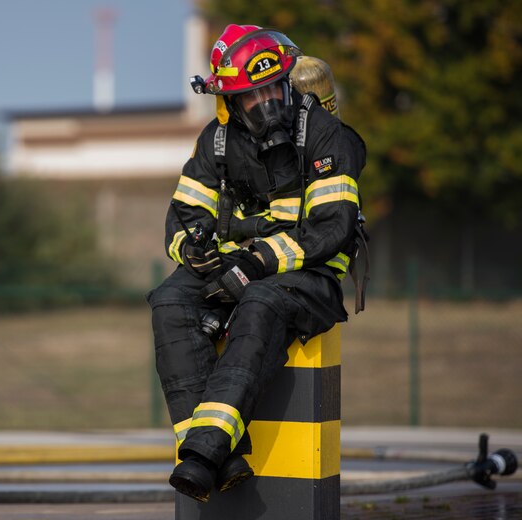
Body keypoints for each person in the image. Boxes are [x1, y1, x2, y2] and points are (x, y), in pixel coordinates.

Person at [147, 24, 367, 503]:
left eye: (273, 89)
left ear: (287, 82)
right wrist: (192, 248)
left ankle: (202, 453)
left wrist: (257, 263)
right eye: (252, 95)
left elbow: (333, 228)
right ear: (230, 102)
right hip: (234, 267)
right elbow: (182, 216)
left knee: (260, 303)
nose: (267, 104)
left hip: (309, 278)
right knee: (168, 301)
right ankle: (219, 457)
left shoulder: (326, 135)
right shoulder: (217, 141)